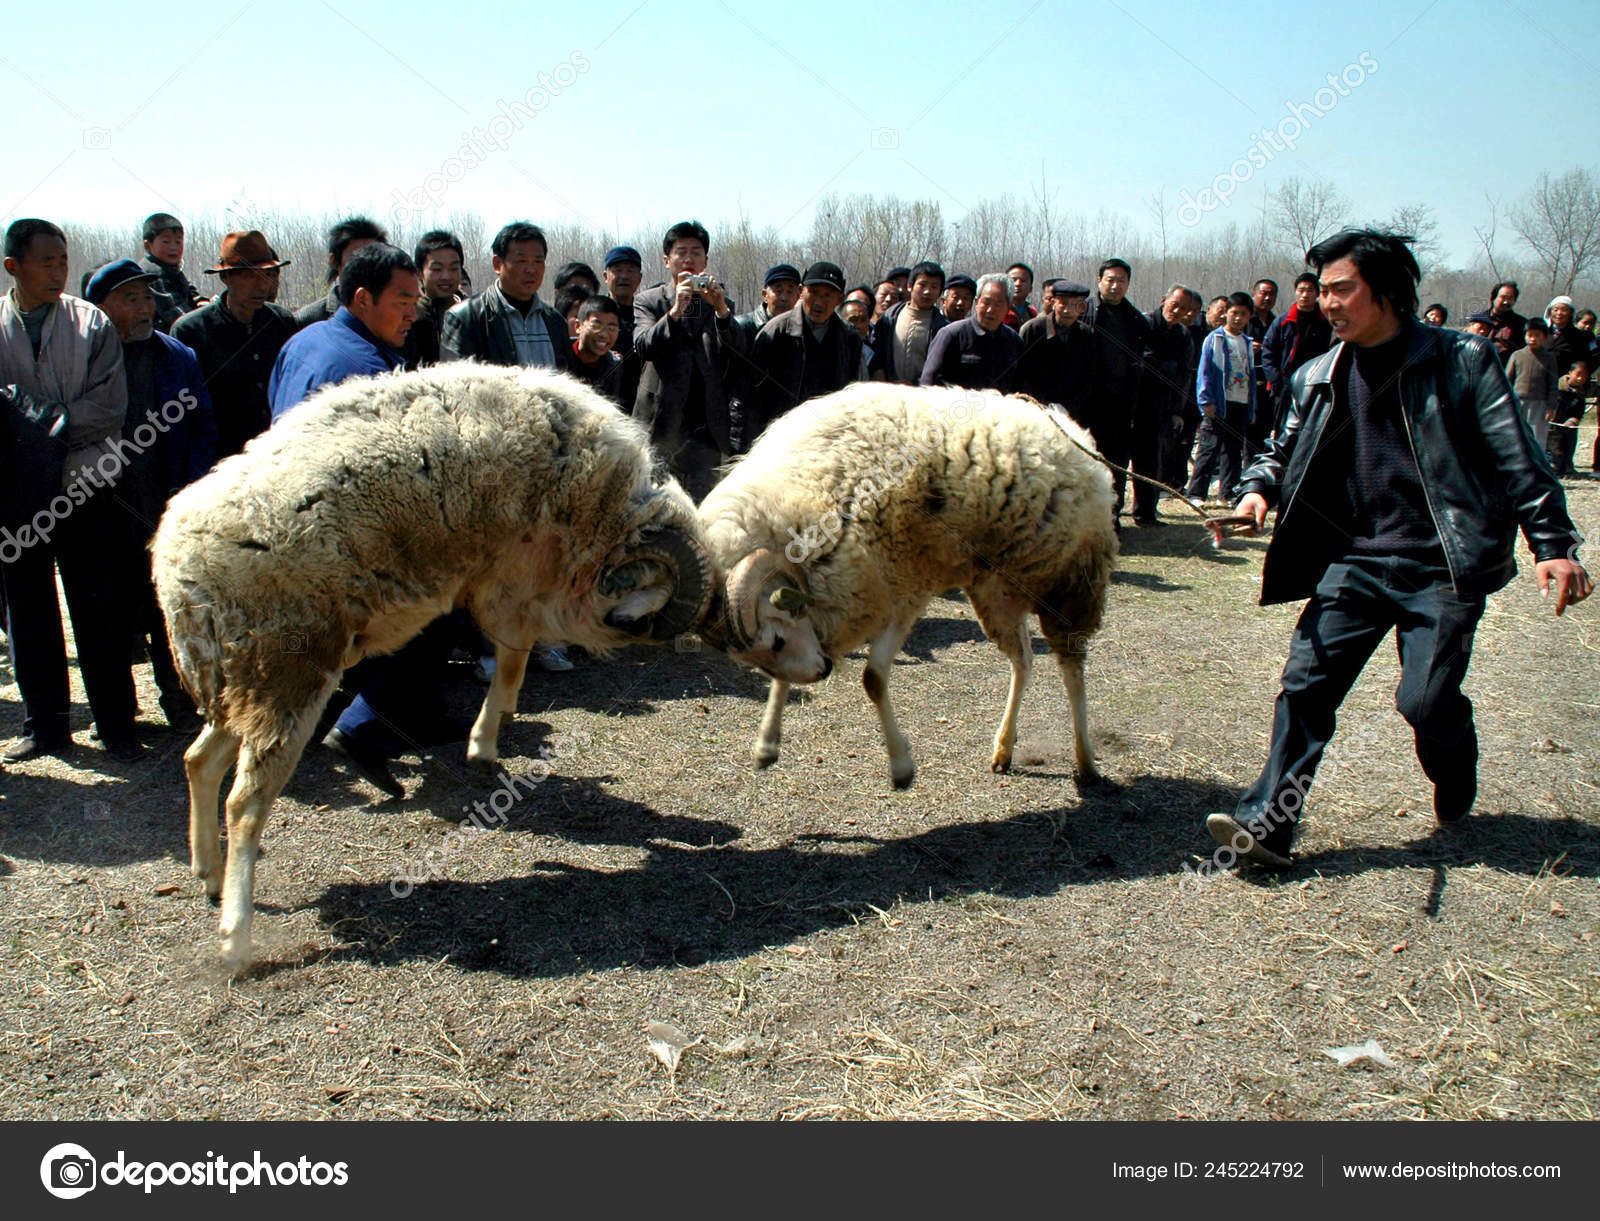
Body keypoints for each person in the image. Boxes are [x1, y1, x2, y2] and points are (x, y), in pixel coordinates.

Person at [1207, 230, 1590, 868]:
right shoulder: (1317, 374)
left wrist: (1552, 541)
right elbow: (1279, 451)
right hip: (1354, 559)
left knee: (1425, 700)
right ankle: (1267, 825)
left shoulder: (1462, 360)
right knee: (1306, 688)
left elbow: (1516, 457)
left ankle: (1454, 762)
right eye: (1322, 290)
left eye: (1341, 289)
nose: (1326, 302)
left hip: (1440, 564)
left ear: (1386, 291)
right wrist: (1256, 492)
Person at [266, 244, 452, 797]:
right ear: (363, 298)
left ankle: (327, 731)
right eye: (401, 300)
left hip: (293, 519)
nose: (411, 313)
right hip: (344, 536)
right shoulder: (366, 372)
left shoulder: (305, 339)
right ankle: (357, 729)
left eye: (416, 301)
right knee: (421, 613)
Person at [0, 219, 141, 762]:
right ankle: (46, 727)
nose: (58, 270)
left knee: (99, 608)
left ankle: (116, 725)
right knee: (30, 610)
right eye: (46, 261)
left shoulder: (91, 324)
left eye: (63, 260)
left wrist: (36, 421)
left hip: (86, 485)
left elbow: (108, 408)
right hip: (17, 495)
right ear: (14, 266)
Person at [84, 258, 216, 732]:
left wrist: (192, 492)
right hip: (105, 507)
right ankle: (116, 716)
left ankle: (180, 705)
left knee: (170, 611)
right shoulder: (88, 360)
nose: (143, 308)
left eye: (146, 297)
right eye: (129, 298)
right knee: (110, 614)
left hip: (165, 504)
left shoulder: (177, 357)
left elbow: (203, 427)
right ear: (100, 308)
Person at [631, 220, 746, 495]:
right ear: (666, 260)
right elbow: (644, 346)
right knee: (653, 502)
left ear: (705, 260)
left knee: (702, 507)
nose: (688, 259)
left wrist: (721, 311)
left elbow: (738, 352)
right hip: (660, 424)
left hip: (705, 429)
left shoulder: (719, 302)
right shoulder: (649, 301)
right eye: (681, 252)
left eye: (696, 252)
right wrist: (674, 312)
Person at [170, 230, 296, 459]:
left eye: (267, 275)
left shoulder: (281, 322)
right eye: (250, 276)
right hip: (220, 461)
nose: (261, 286)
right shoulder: (192, 332)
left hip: (278, 456)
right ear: (226, 278)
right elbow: (181, 414)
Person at [269, 243, 419, 421]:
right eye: (403, 303)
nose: (412, 316)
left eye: (414, 304)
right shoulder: (370, 376)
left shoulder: (301, 340)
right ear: (363, 299)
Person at [748, 261, 861, 437]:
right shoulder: (776, 332)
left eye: (827, 295)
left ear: (839, 299)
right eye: (813, 293)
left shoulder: (849, 338)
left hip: (828, 436)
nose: (819, 302)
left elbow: (853, 393)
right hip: (781, 435)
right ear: (801, 291)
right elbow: (754, 397)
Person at [441, 221, 570, 371]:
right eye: (521, 261)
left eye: (538, 261)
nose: (531, 270)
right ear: (497, 264)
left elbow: (570, 380)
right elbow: (454, 383)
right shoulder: (466, 318)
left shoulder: (555, 321)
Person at [1082, 257, 1150, 522]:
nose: (1115, 285)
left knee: (1117, 465)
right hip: (1088, 404)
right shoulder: (1085, 310)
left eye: (1121, 280)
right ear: (1099, 281)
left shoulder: (1135, 319)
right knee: (1087, 462)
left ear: (1128, 284)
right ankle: (1085, 520)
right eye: (1110, 279)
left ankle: (1111, 519)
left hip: (1121, 406)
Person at [1185, 292, 1255, 506]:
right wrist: (1206, 401)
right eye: (1234, 313)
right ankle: (1196, 493)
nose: (1237, 318)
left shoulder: (1247, 342)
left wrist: (1252, 407)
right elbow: (1204, 372)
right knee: (1209, 448)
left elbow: (1251, 375)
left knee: (1234, 451)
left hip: (1240, 402)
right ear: (1226, 314)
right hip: (1218, 404)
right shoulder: (1215, 339)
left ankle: (1228, 493)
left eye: (1243, 314)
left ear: (1249, 317)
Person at [1132, 285, 1195, 525]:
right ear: (1163, 300)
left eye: (1183, 308)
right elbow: (1141, 359)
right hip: (1134, 401)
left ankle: (1146, 513)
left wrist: (1178, 411)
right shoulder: (1144, 323)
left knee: (1151, 461)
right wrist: (1167, 367)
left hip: (1161, 406)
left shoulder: (1183, 335)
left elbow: (1185, 375)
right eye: (1174, 304)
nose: (1176, 311)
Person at [920, 273, 1020, 392]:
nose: (990, 310)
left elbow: (1021, 388)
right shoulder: (951, 334)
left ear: (1008, 307)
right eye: (986, 302)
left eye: (998, 304)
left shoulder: (1014, 342)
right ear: (977, 303)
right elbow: (928, 383)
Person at [1260, 271, 1333, 434]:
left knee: (1309, 429)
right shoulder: (1283, 321)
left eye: (1310, 290)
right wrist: (1276, 380)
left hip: (1314, 382)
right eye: (1301, 290)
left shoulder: (1325, 323)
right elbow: (1268, 351)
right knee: (1283, 430)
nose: (1305, 295)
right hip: (1286, 383)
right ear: (1295, 292)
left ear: (1317, 294)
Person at [1017, 279, 1093, 425]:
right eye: (1063, 303)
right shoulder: (1032, 330)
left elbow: (1088, 380)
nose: (1067, 310)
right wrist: (1040, 407)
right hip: (1034, 413)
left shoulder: (1086, 335)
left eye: (1074, 305)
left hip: (1071, 417)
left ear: (1082, 307)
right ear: (1052, 302)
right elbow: (1022, 377)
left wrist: (1069, 410)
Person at [296, 216, 388, 329]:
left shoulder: (400, 318)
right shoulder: (309, 320)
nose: (366, 268)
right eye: (356, 259)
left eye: (374, 259)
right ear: (334, 261)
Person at [869, 260, 946, 384]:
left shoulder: (942, 328)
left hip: (923, 397)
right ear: (910, 286)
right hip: (887, 393)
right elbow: (876, 353)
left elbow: (941, 369)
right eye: (922, 285)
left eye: (934, 287)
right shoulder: (889, 317)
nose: (927, 291)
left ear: (939, 293)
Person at [401, 230, 464, 370]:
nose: (446, 276)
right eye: (437, 269)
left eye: (454, 268)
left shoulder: (473, 313)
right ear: (419, 272)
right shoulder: (410, 317)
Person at [140, 212, 204, 333]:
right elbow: (173, 311)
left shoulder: (171, 268)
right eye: (166, 241)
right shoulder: (153, 274)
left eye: (178, 241)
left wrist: (202, 303)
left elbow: (190, 292)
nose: (173, 247)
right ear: (148, 246)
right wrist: (200, 321)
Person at [1505, 318, 1558, 448]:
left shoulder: (1549, 358)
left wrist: (1551, 406)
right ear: (1525, 336)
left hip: (1539, 404)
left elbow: (1552, 383)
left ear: (1544, 337)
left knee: (1537, 437)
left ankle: (1536, 465)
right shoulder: (1517, 355)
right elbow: (1506, 380)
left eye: (1537, 335)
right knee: (1515, 435)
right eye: (1530, 335)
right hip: (1517, 401)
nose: (1533, 338)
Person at [602, 245, 644, 407]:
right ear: (606, 276)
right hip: (606, 400)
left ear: (639, 278)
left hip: (640, 402)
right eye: (618, 270)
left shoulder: (647, 312)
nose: (624, 276)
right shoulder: (595, 312)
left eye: (630, 271)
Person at [567, 294, 626, 406]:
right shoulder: (559, 356)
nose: (604, 334)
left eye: (611, 328)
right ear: (578, 326)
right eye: (596, 326)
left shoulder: (614, 366)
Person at [1546, 359, 1587, 477]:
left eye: (1584, 376)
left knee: (1570, 445)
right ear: (1570, 373)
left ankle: (1568, 466)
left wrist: (1574, 419)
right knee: (1555, 449)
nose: (1580, 378)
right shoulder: (1557, 388)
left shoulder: (1581, 391)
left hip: (1569, 424)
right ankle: (1554, 467)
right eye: (1578, 374)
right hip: (1554, 424)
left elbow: (1579, 409)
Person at [1543, 295, 1588, 376]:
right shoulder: (1541, 331)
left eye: (1564, 310)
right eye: (1556, 310)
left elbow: (1582, 361)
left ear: (1570, 313)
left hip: (1563, 381)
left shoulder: (1579, 336)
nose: (1559, 313)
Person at [1488, 279, 1525, 354]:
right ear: (1493, 298)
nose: (1506, 302)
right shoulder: (1479, 320)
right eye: (1503, 297)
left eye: (1510, 298)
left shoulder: (1521, 324)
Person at [1004, 262, 1038, 329]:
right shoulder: (998, 311)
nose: (1018, 284)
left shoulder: (1032, 313)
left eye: (1023, 280)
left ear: (1030, 288)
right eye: (1013, 280)